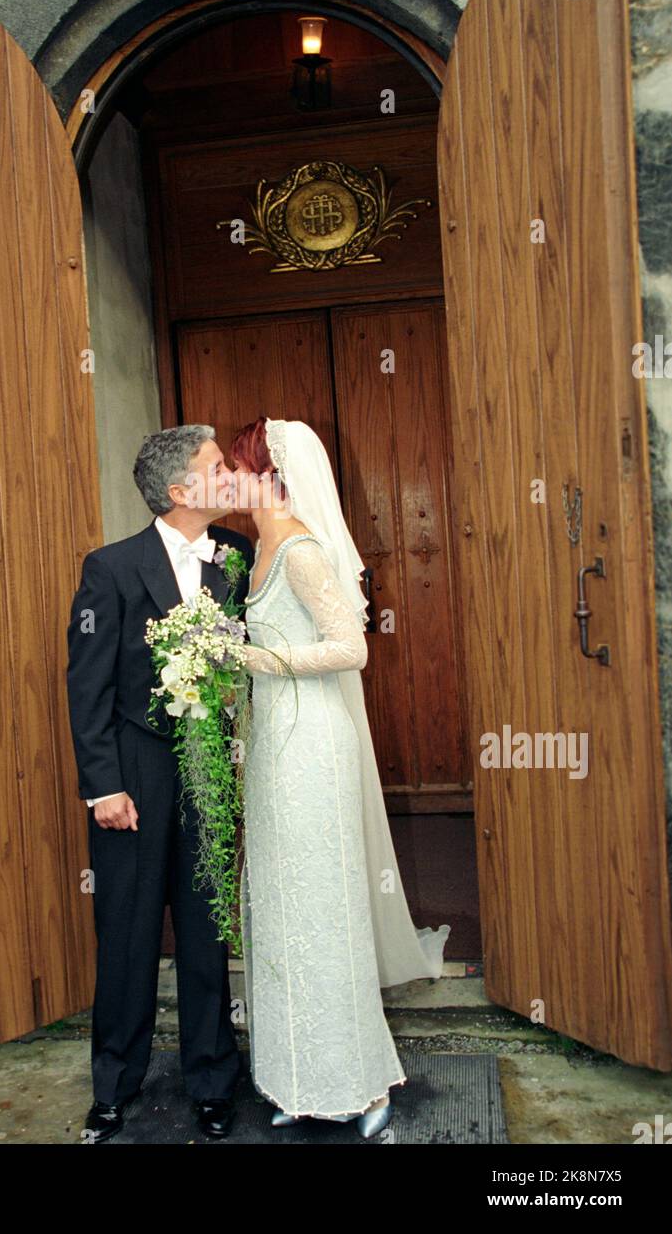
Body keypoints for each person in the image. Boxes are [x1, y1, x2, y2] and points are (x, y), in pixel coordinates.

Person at [230, 416, 450, 1137]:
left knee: (322, 905)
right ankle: (295, 1074)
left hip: (312, 743)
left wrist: (259, 661)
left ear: (268, 475)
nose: (225, 479)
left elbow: (349, 648)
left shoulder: (298, 549)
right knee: (282, 906)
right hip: (272, 747)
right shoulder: (257, 547)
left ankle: (359, 1080)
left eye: (234, 466)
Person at [66, 424, 255, 1142]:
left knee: (207, 929)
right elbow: (86, 686)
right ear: (180, 491)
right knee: (127, 933)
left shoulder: (234, 556)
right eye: (215, 466)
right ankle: (114, 1083)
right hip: (134, 774)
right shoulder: (110, 568)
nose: (230, 472)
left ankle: (212, 1080)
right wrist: (102, 786)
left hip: (208, 766)